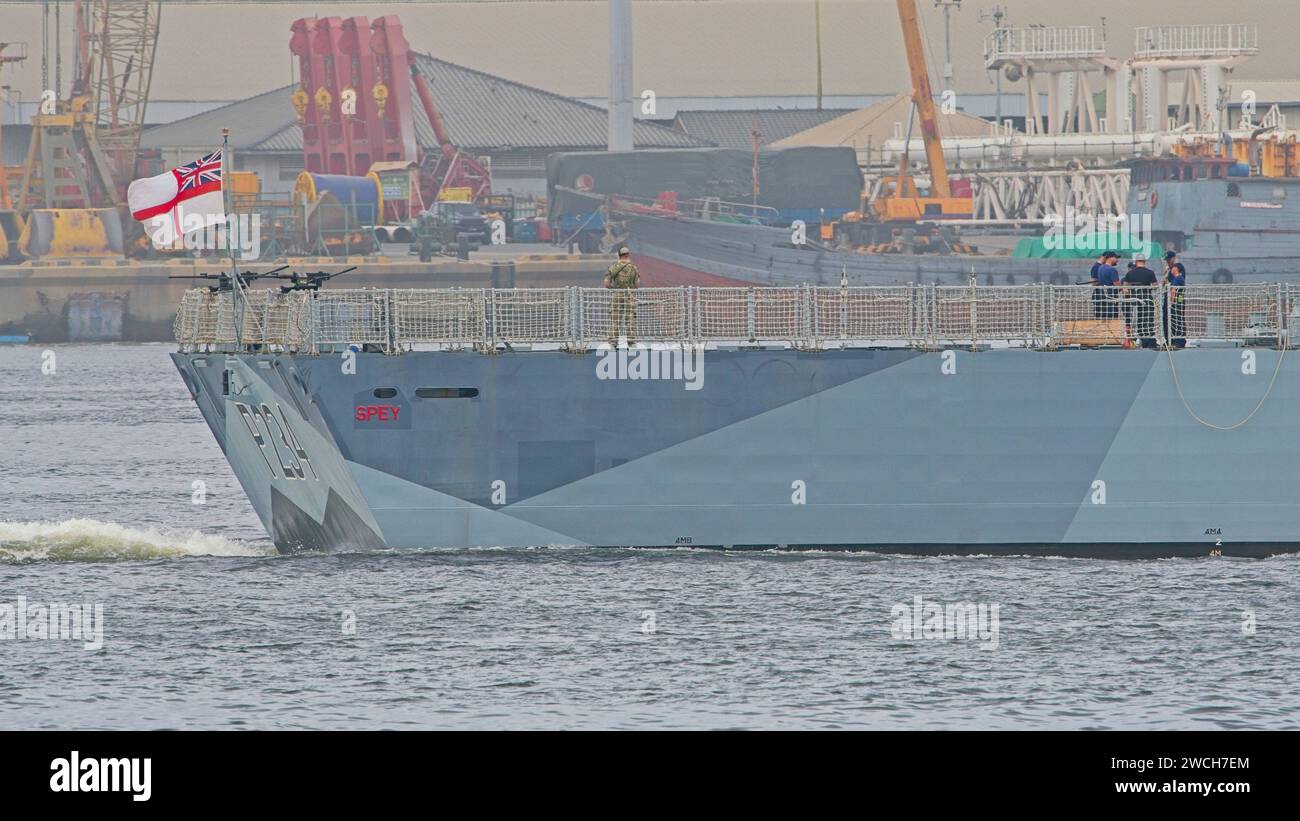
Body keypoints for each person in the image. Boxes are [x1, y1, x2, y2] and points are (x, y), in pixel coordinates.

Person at [605, 246, 640, 344]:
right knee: (630, 317)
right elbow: (637, 285)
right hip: (629, 295)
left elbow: (606, 284)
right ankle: (631, 340)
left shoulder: (613, 267)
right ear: (628, 255)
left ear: (619, 255)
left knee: (615, 317)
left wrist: (614, 289)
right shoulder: (634, 268)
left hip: (617, 294)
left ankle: (613, 340)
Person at [1122, 252, 1159, 347]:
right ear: (1145, 261)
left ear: (1136, 261)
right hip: (1147, 299)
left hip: (1136, 300)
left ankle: (1141, 338)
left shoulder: (1130, 273)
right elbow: (1155, 287)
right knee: (1148, 320)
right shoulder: (1150, 273)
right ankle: (1150, 340)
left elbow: (1125, 289)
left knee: (1139, 319)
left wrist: (1130, 294)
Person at [1163, 250, 1187, 348]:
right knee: (1167, 318)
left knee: (1177, 317)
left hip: (1177, 297)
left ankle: (1179, 340)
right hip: (1170, 297)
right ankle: (1170, 339)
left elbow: (1174, 289)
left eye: (1169, 260)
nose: (1168, 262)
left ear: (1173, 258)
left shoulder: (1178, 268)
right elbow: (1166, 283)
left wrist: (1171, 302)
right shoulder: (1170, 270)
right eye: (1166, 260)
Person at [1095, 252, 1121, 319]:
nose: (1117, 260)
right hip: (1111, 298)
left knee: (1103, 318)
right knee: (1112, 318)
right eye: (1116, 258)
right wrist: (1123, 288)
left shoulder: (1100, 267)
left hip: (1102, 297)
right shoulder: (1112, 270)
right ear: (1110, 258)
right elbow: (1118, 285)